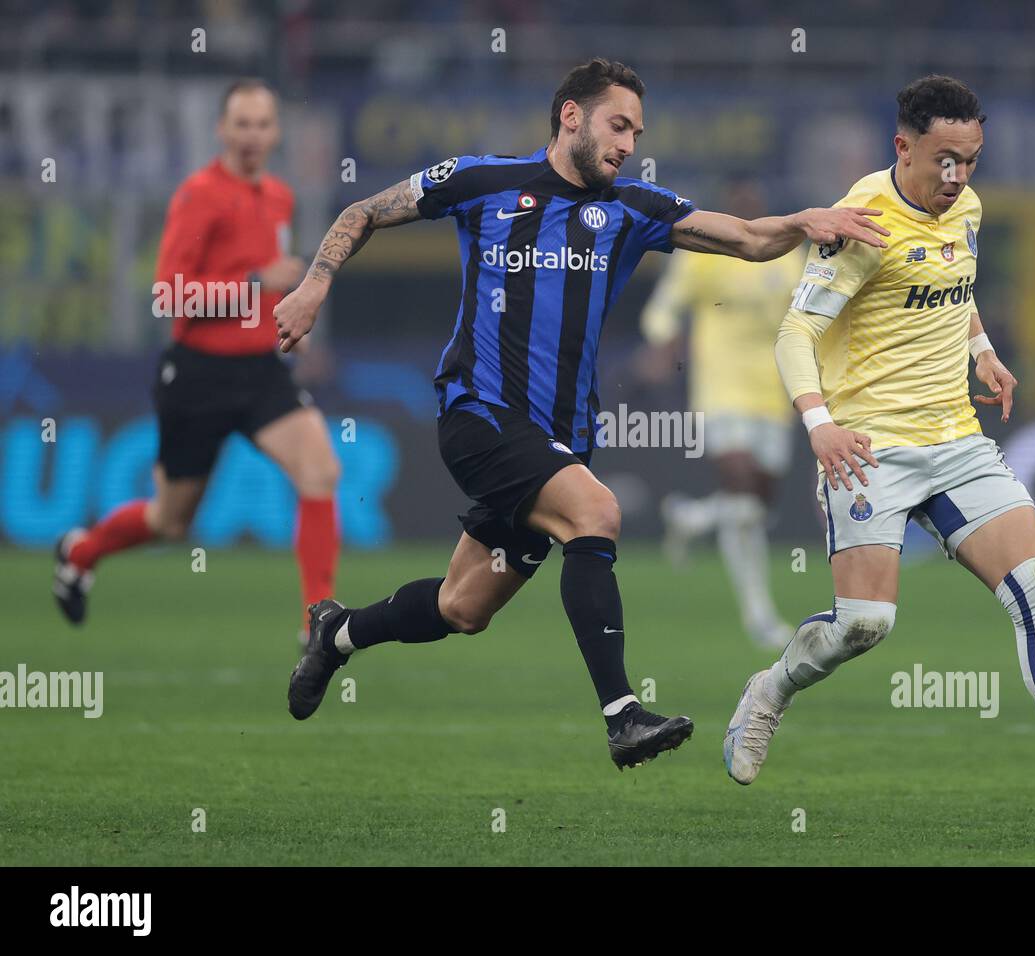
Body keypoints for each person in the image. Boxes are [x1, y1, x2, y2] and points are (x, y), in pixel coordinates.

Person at [273, 58, 889, 770]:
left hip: (561, 436)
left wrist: (805, 221)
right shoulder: (482, 181)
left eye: (637, 131)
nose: (629, 142)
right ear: (572, 116)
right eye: (618, 125)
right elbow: (364, 211)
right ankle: (623, 716)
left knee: (463, 607)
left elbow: (748, 239)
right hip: (480, 416)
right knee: (595, 515)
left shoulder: (631, 208)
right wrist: (315, 286)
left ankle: (337, 632)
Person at [723, 75, 1035, 818]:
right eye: (943, 160)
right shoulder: (861, 222)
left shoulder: (965, 207)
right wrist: (819, 425)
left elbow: (953, 287)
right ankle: (770, 690)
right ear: (902, 147)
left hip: (956, 438)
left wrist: (983, 350)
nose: (958, 177)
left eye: (971, 158)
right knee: (865, 625)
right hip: (868, 446)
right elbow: (795, 333)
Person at [52, 78, 340, 643]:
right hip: (198, 374)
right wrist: (258, 281)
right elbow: (168, 296)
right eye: (242, 124)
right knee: (170, 521)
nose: (252, 135)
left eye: (262, 124)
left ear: (275, 131)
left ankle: (316, 623)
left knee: (321, 472)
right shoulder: (199, 195)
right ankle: (81, 553)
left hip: (259, 371)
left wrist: (284, 318)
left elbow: (267, 290)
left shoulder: (278, 195)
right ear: (221, 130)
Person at [638, 178, 804, 647]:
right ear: (729, 207)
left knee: (757, 503)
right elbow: (662, 310)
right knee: (742, 487)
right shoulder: (704, 253)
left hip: (773, 390)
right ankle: (758, 614)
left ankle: (692, 519)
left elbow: (807, 320)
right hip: (720, 387)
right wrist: (662, 339)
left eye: (754, 204)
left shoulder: (787, 258)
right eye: (739, 204)